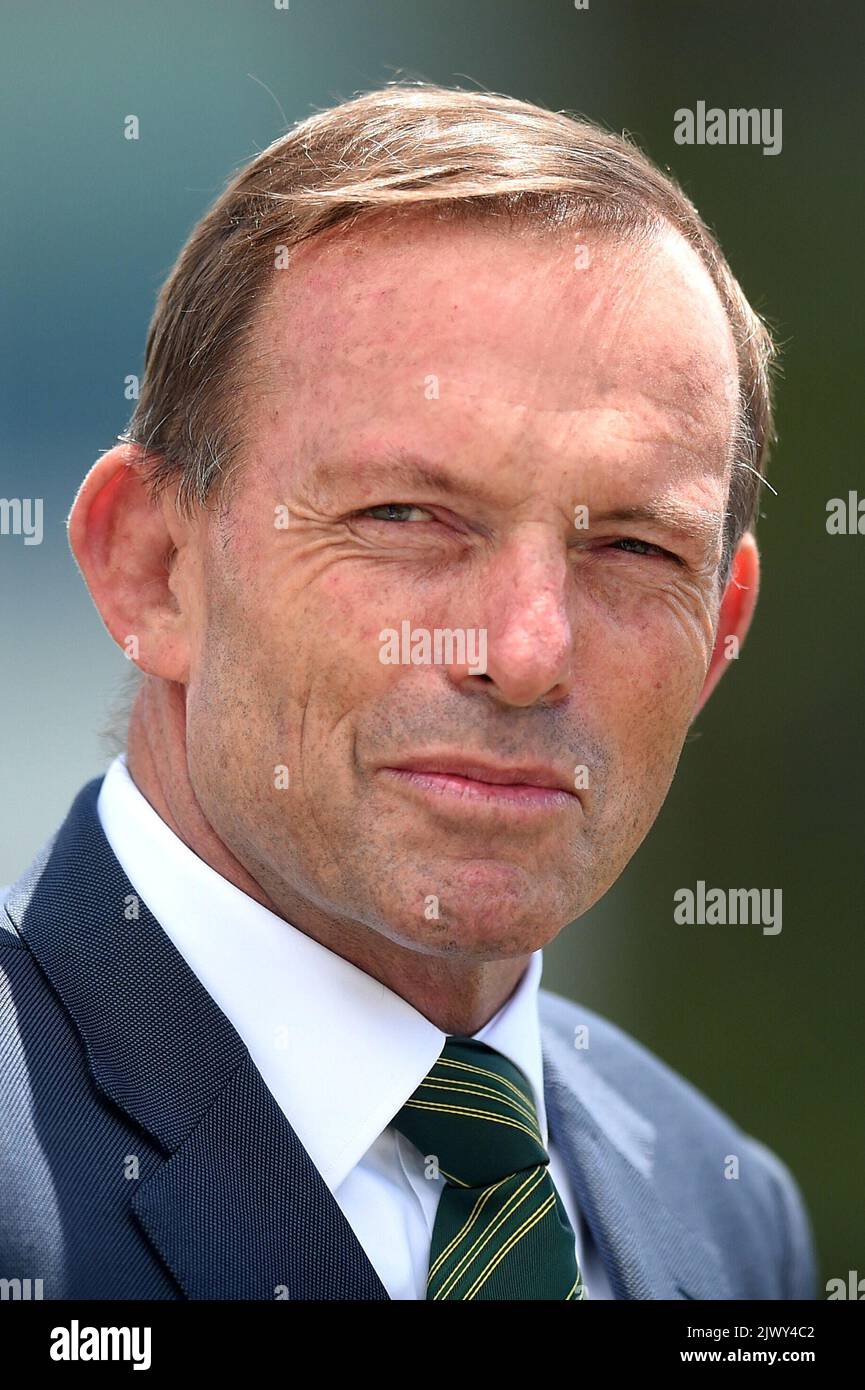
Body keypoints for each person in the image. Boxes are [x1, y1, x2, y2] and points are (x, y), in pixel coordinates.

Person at [0, 83, 817, 1300]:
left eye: (633, 548)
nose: (526, 651)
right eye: (405, 516)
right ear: (153, 567)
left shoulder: (723, 1215)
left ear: (718, 637)